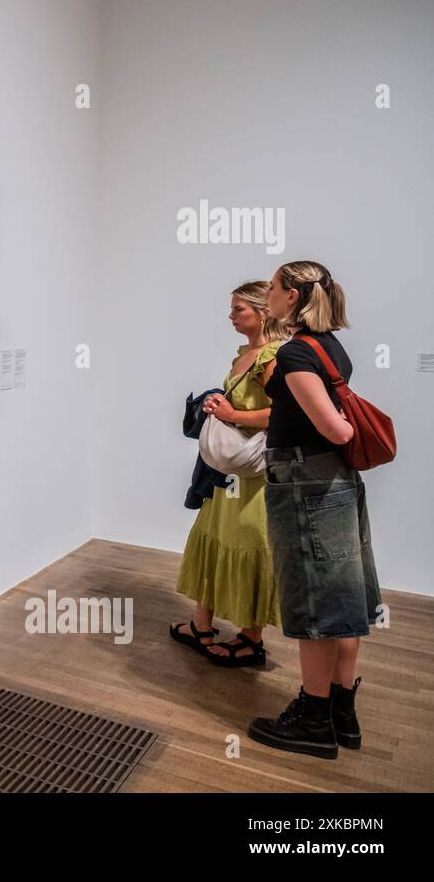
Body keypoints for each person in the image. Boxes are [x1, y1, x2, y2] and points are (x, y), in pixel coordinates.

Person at [247, 261, 380, 759]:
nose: (268, 295)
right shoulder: (330, 344)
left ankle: (312, 718)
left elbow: (338, 430)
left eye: (274, 287)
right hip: (332, 481)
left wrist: (339, 421)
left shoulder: (298, 352)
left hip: (307, 485)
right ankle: (340, 711)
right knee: (344, 596)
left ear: (293, 297)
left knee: (316, 599)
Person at [171, 282, 286, 666]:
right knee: (215, 536)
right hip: (230, 472)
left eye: (239, 309)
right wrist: (217, 402)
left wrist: (232, 414)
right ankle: (200, 626)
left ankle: (250, 639)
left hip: (251, 475)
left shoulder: (271, 358)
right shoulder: (247, 354)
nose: (231, 315)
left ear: (262, 312)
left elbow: (284, 413)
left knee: (248, 546)